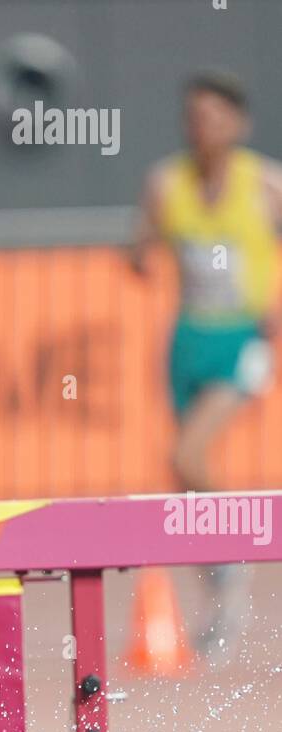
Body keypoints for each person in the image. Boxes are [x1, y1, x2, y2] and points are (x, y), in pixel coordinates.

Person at [131, 71, 282, 659]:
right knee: (183, 481)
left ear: (239, 123)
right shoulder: (166, 183)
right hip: (188, 337)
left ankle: (235, 558)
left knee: (186, 455)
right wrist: (140, 255)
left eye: (216, 116)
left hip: (242, 338)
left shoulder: (266, 184)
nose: (204, 127)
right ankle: (220, 602)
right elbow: (141, 244)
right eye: (195, 116)